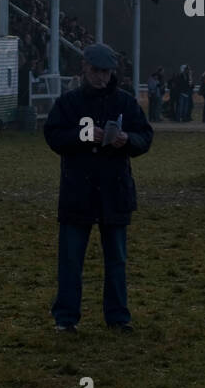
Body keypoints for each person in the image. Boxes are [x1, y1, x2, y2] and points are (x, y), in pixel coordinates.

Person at [43, 43, 153, 333]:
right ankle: (66, 318)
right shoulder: (68, 103)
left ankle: (117, 317)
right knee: (70, 261)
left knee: (116, 261)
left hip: (112, 192)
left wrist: (127, 140)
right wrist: (85, 135)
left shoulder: (126, 103)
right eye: (96, 71)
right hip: (79, 192)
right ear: (84, 68)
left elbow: (145, 136)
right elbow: (53, 136)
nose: (101, 77)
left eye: (106, 72)